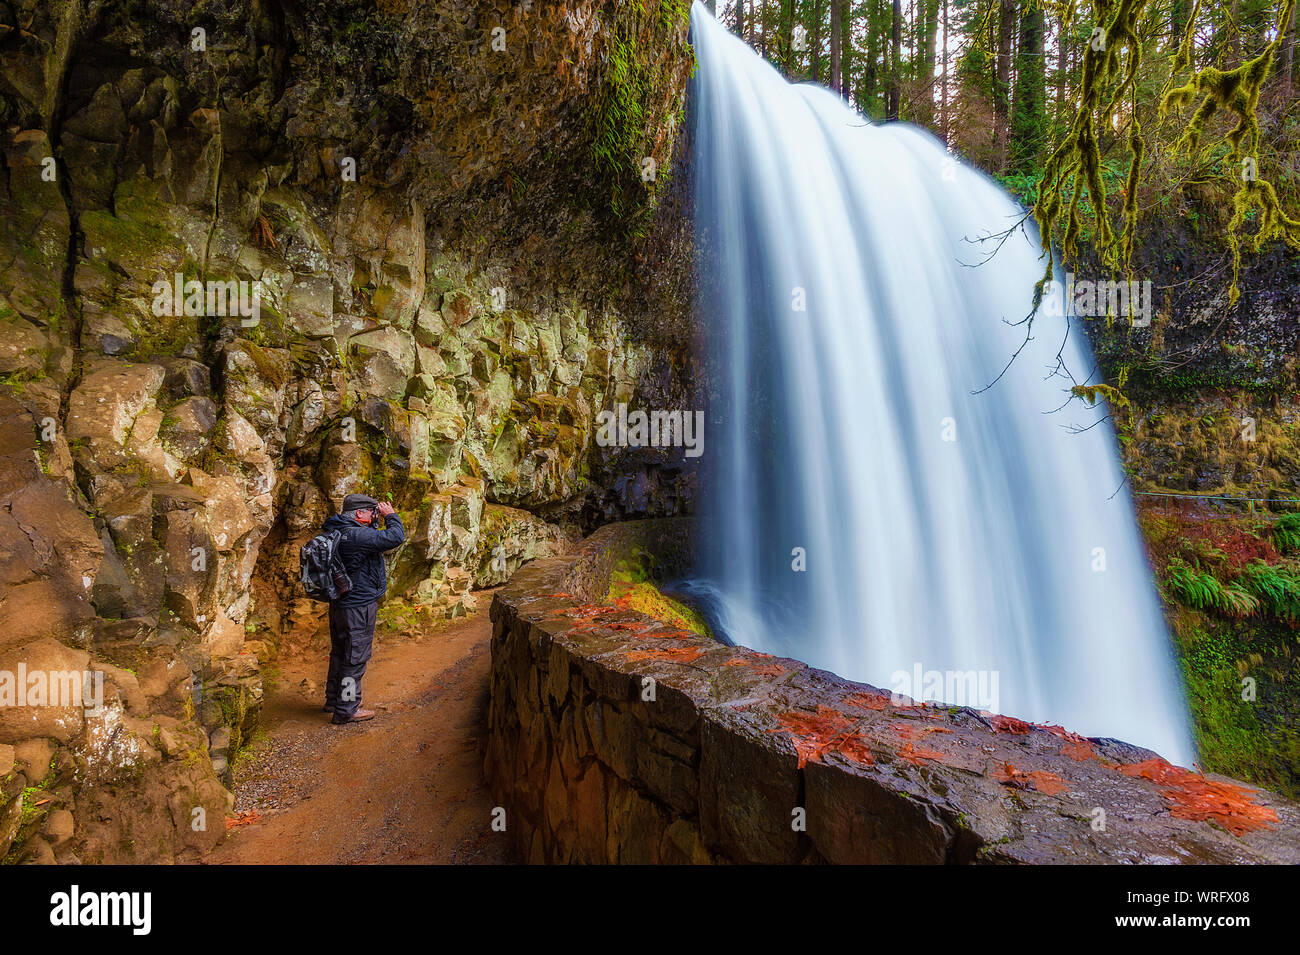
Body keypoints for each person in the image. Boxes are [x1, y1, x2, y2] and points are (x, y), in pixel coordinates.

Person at [319, 493, 404, 724]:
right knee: (354, 658)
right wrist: (391, 516)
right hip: (358, 607)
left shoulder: (335, 529)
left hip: (340, 604)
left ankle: (333, 700)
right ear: (359, 513)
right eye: (371, 511)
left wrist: (376, 519)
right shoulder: (358, 535)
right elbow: (396, 536)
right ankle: (347, 709)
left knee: (340, 654)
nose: (375, 515)